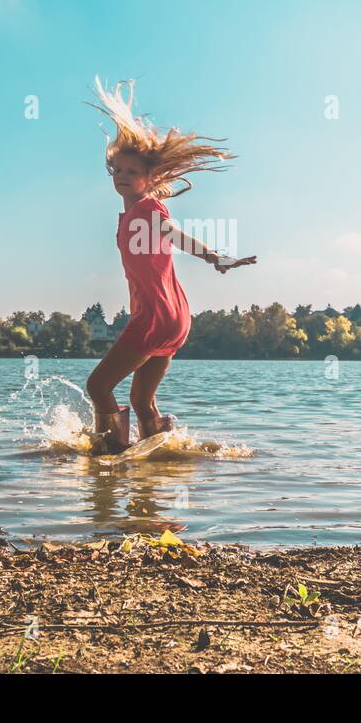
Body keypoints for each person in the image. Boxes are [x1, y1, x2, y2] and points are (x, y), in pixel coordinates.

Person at [84, 78, 257, 453]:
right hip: (173, 317)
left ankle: (108, 458)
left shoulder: (148, 208)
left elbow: (174, 234)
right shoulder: (129, 215)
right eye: (118, 171)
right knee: (142, 400)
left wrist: (214, 257)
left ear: (149, 179)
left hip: (154, 317)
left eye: (132, 172)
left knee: (97, 387)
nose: (123, 177)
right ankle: (159, 459)